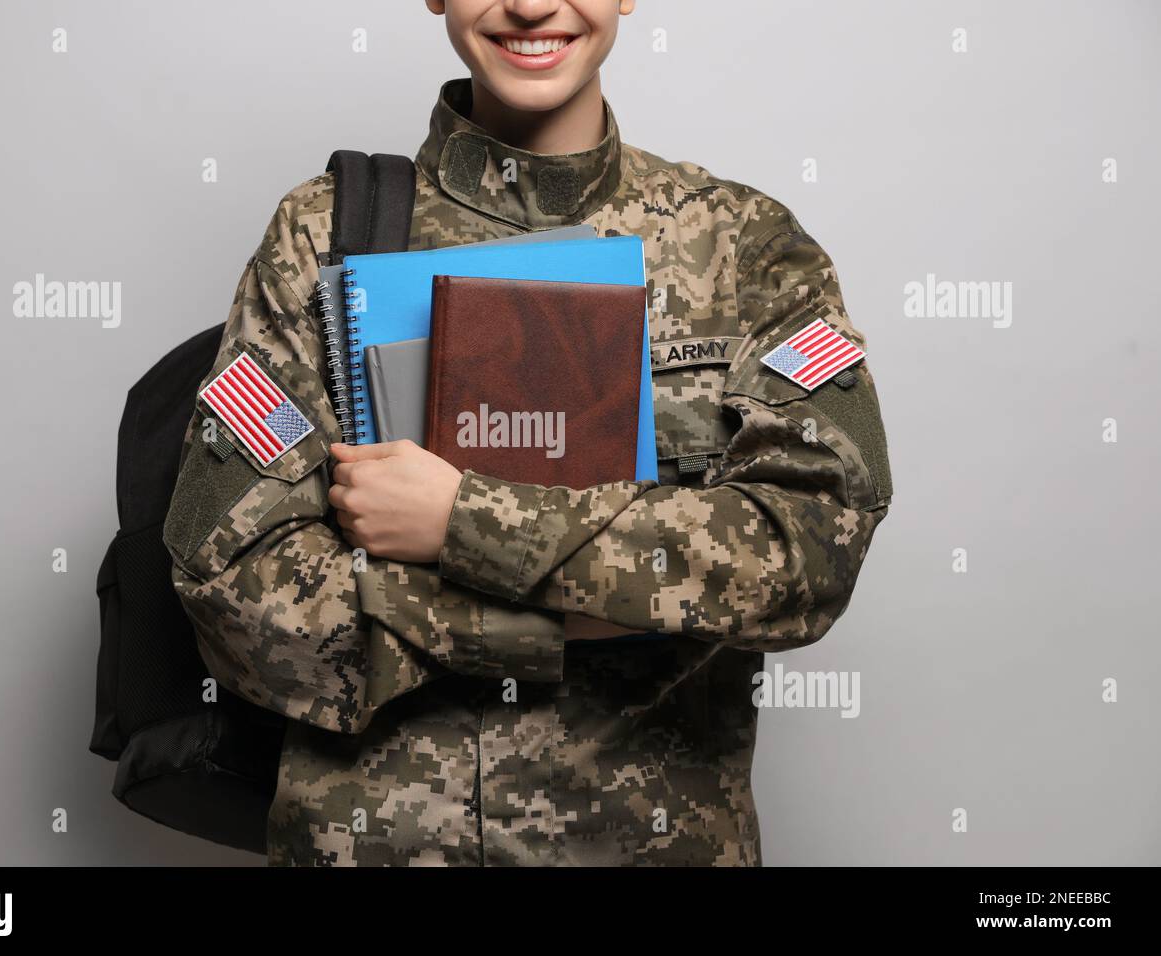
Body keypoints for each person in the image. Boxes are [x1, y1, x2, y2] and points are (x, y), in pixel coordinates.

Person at [163, 0, 893, 866]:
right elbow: (231, 586)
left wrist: (461, 521)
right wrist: (593, 613)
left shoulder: (745, 248)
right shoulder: (319, 239)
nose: (533, 4)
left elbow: (809, 551)